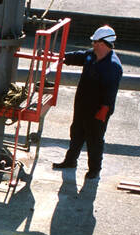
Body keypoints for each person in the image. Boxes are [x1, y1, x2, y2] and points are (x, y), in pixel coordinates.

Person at [52, 24, 123, 181]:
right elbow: (80, 56)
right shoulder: (92, 56)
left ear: (104, 43)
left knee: (95, 139)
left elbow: (110, 93)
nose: (93, 44)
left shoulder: (113, 66)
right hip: (82, 105)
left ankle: (94, 169)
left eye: (96, 42)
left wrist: (103, 112)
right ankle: (70, 161)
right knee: (76, 133)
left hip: (98, 110)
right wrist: (60, 57)